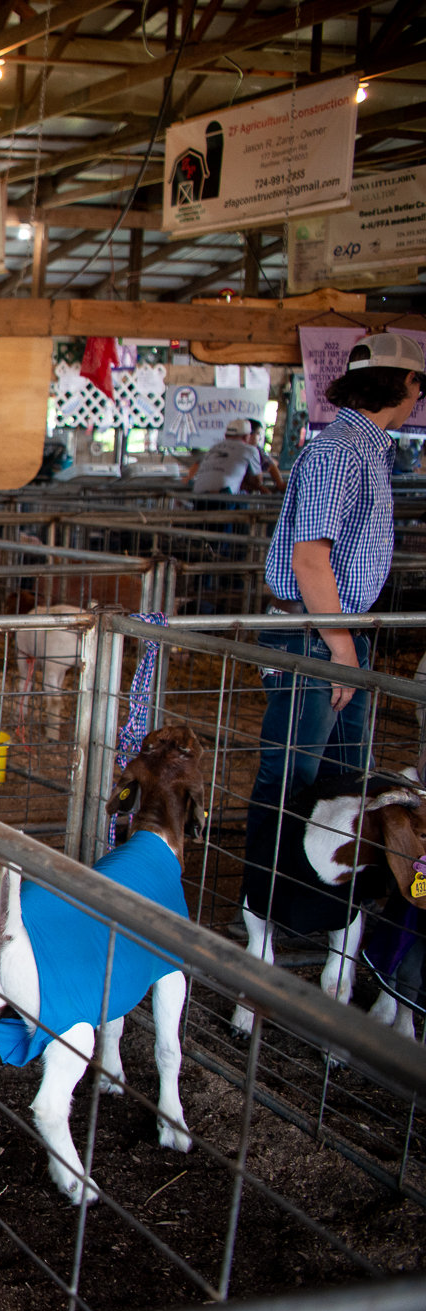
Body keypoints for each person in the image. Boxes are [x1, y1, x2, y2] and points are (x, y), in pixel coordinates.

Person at [242, 331, 423, 916]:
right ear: (405, 384)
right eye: (419, 386)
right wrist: (340, 645)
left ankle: (324, 908)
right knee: (293, 775)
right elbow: (309, 559)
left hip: (339, 631)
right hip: (316, 633)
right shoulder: (339, 452)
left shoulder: (366, 449)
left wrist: (346, 641)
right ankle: (264, 905)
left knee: (345, 780)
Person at [191, 418, 283, 496]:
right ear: (247, 436)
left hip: (198, 497)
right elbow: (257, 481)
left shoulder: (213, 448)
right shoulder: (250, 450)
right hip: (224, 498)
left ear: (226, 435)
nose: (259, 438)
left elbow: (198, 464)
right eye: (258, 434)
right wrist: (265, 489)